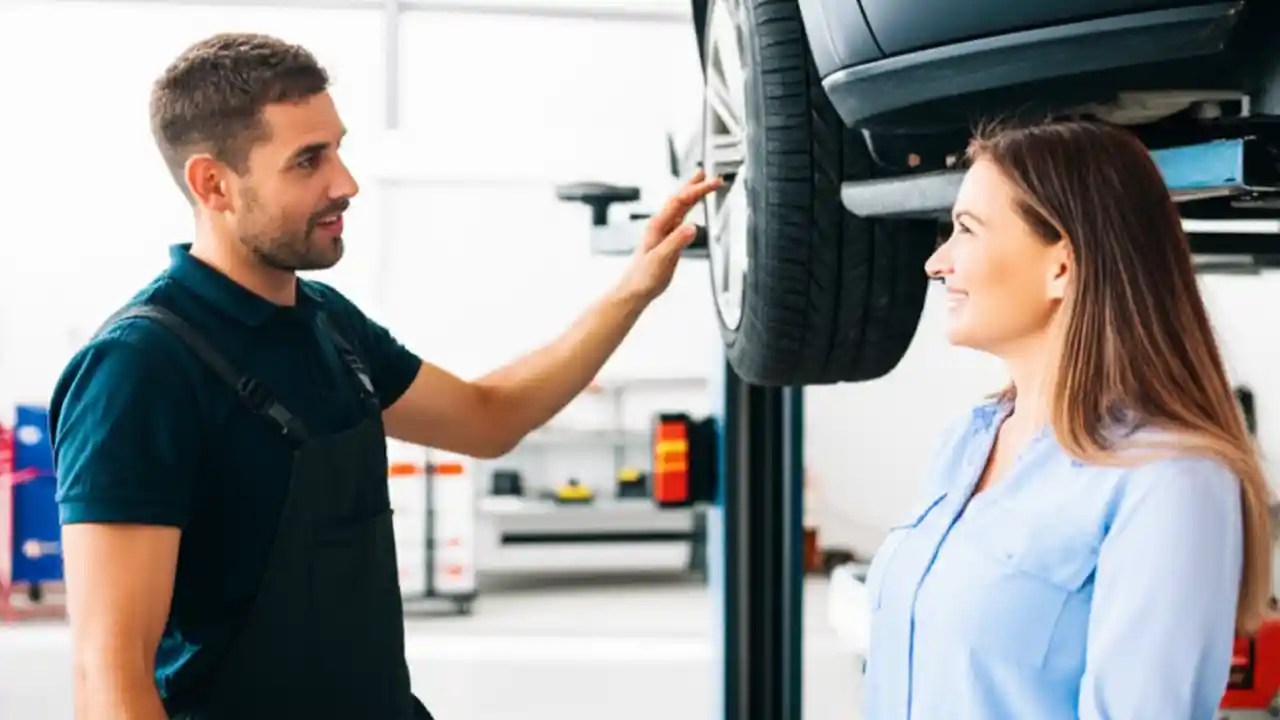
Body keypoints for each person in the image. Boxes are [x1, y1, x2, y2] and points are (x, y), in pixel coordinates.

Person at [48, 32, 720, 720]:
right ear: (213, 184)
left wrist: (635, 287)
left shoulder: (328, 324)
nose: (345, 183)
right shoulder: (140, 369)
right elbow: (110, 679)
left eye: (337, 149)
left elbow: (489, 417)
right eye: (308, 160)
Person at [861, 119, 1274, 720]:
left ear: (1062, 267)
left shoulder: (1168, 479)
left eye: (966, 230)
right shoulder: (967, 441)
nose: (936, 262)